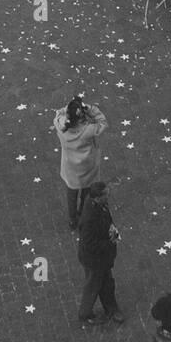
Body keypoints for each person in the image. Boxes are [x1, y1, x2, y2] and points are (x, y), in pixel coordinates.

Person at [54, 94, 107, 228]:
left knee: (71, 196)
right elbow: (102, 122)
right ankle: (82, 213)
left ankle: (72, 220)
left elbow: (58, 114)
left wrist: (69, 109)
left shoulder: (61, 127)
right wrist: (89, 108)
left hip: (70, 169)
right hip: (88, 169)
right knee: (86, 194)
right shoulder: (88, 130)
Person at [76, 179, 124, 326]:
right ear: (98, 197)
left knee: (107, 282)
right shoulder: (89, 219)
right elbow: (89, 243)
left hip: (102, 258)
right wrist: (110, 242)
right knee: (93, 286)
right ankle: (85, 314)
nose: (108, 195)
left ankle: (111, 308)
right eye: (106, 194)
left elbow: (107, 219)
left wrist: (113, 230)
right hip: (94, 259)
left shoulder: (98, 204)